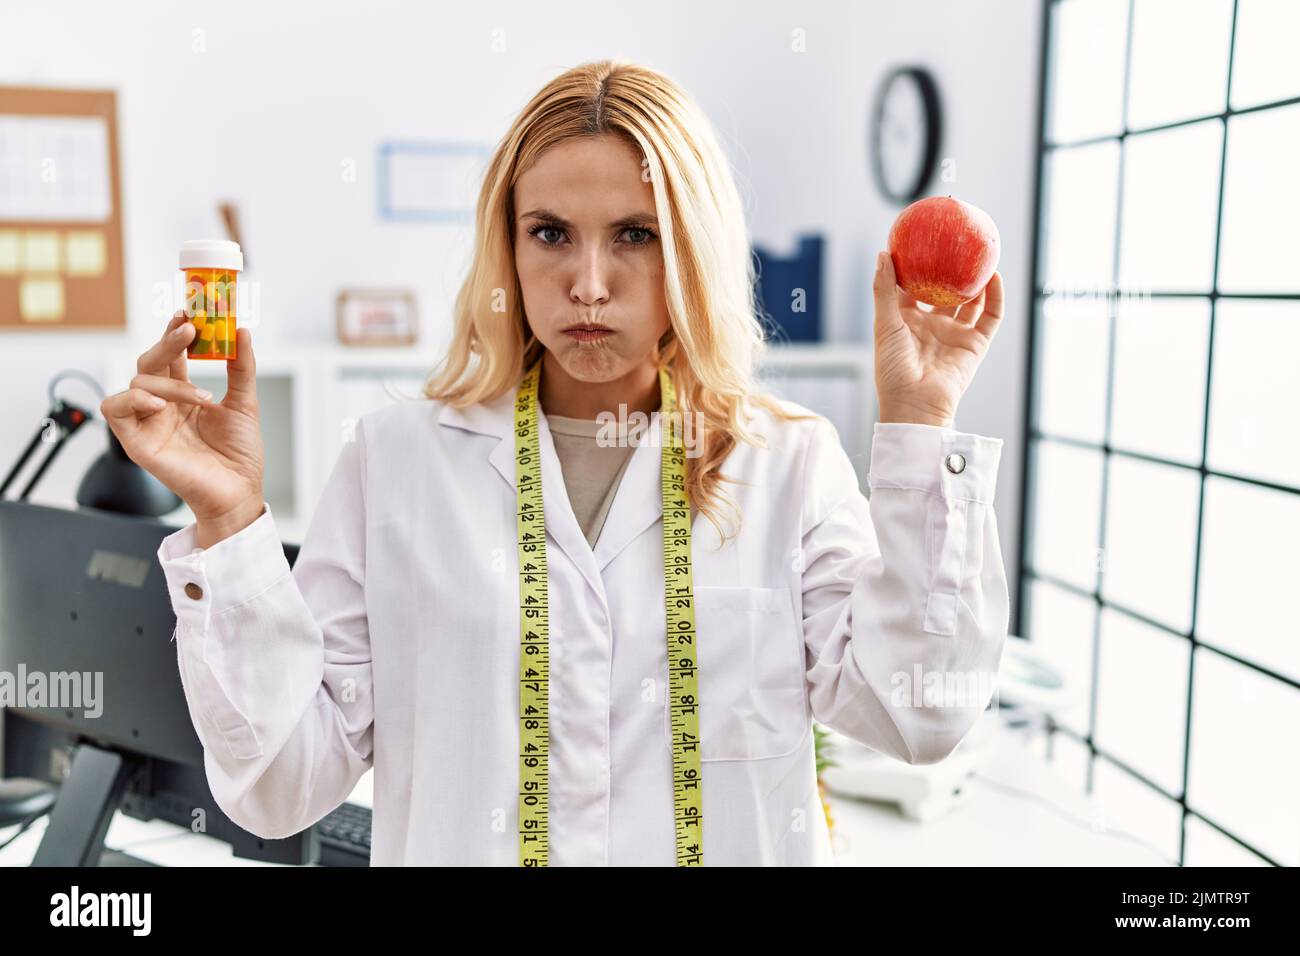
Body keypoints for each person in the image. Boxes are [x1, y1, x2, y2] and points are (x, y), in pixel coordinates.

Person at [100, 59, 1009, 866]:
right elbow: (281, 788)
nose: (588, 282)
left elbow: (916, 714)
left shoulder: (790, 465)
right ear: (507, 245)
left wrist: (921, 423)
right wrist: (229, 526)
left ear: (694, 248)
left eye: (634, 235)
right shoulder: (396, 461)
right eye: (550, 233)